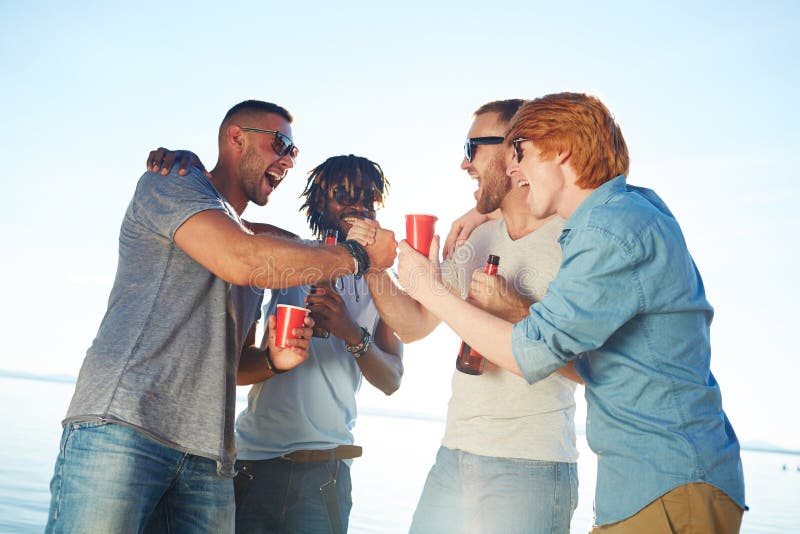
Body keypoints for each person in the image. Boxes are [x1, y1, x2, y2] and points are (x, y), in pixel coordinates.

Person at [396, 92, 747, 532]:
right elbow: (565, 348)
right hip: (650, 484)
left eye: (519, 155)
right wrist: (488, 210)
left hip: (669, 482)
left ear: (559, 150)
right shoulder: (624, 214)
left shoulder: (609, 229)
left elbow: (534, 353)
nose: (512, 170)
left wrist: (428, 288)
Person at [45, 100, 397, 533]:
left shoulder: (265, 250)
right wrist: (359, 256)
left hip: (209, 457)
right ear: (236, 138)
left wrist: (272, 361)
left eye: (294, 153)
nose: (287, 159)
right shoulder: (173, 185)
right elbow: (240, 257)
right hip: (124, 429)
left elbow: (233, 363)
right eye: (281, 143)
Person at [355, 99, 581, 533]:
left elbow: (587, 361)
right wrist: (374, 265)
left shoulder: (569, 241)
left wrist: (512, 308)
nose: (463, 163)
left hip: (531, 463)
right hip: (454, 455)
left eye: (472, 146)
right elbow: (415, 324)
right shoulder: (476, 237)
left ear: (517, 150)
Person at [232, 154, 404, 534]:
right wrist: (184, 165)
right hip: (253, 465)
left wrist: (350, 332)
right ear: (319, 203)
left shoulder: (381, 285)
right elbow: (229, 225)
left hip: (326, 474)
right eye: (344, 194)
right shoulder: (286, 260)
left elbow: (392, 379)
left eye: (367, 197)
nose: (358, 205)